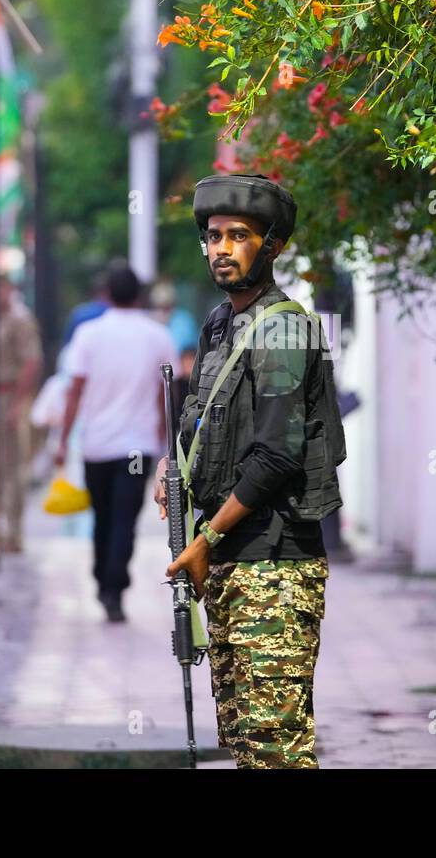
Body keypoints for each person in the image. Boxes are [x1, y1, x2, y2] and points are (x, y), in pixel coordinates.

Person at [157, 173, 346, 769]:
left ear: (272, 246)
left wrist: (205, 541)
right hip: (231, 559)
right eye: (213, 237)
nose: (221, 249)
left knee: (275, 749)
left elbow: (276, 456)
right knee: (245, 744)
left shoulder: (284, 330)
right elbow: (202, 422)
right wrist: (175, 468)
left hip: (275, 563)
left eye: (238, 236)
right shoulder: (219, 325)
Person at [54, 261, 177, 622]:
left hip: (97, 445)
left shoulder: (88, 334)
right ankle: (114, 587)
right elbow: (165, 392)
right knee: (125, 519)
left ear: (106, 293)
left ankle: (103, 580)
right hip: (139, 445)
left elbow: (74, 391)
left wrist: (63, 440)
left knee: (102, 516)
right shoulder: (158, 335)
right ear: (139, 295)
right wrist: (165, 441)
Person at [0, 273, 44, 553]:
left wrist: (17, 403)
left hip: (13, 397)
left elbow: (31, 362)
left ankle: (13, 532)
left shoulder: (19, 319)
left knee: (14, 467)